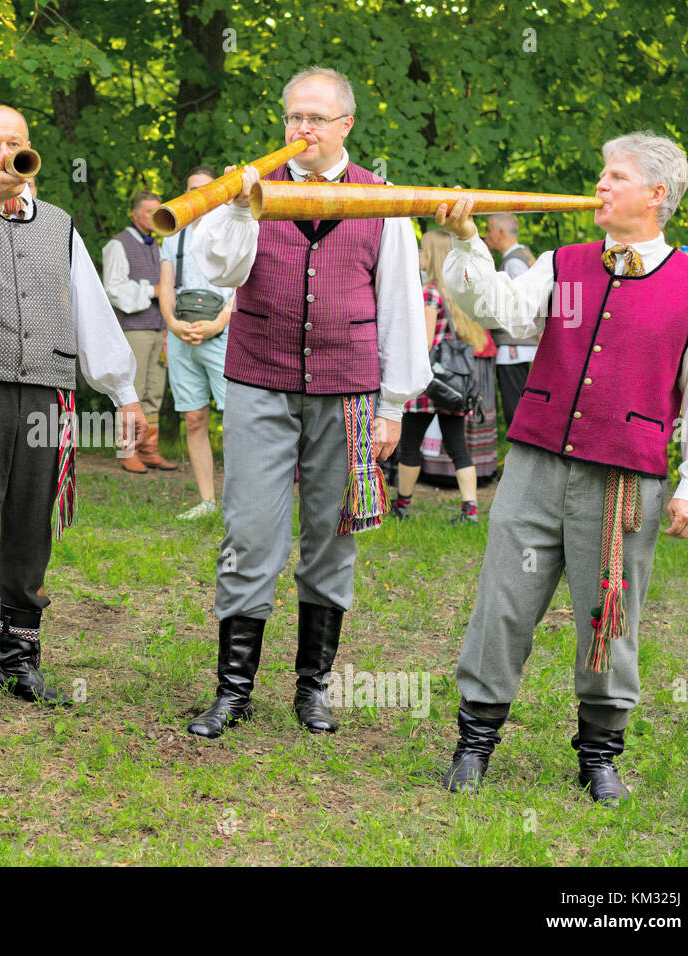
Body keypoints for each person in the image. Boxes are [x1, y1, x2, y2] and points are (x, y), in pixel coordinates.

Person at [436, 131, 688, 804]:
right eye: (601, 174)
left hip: (623, 482)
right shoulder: (564, 263)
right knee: (502, 605)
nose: (599, 185)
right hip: (536, 464)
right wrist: (467, 241)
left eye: (614, 176)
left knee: (609, 618)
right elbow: (500, 314)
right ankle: (474, 743)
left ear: (656, 195)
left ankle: (599, 757)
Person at [187, 67, 431, 739]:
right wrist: (239, 205)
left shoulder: (382, 199)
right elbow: (218, 271)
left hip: (348, 391)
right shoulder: (254, 189)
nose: (304, 129)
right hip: (258, 380)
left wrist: (394, 403)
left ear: (346, 125)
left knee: (332, 538)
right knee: (249, 536)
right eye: (295, 117)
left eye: (318, 118)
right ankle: (233, 691)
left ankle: (312, 689)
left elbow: (402, 307)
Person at [0, 104, 145, 728]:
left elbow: (91, 307)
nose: (2, 151)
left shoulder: (60, 223)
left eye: (13, 142)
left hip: (47, 390)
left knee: (30, 527)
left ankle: (19, 659)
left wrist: (123, 391)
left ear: (29, 147)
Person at [157, 165, 235, 520]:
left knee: (237, 418)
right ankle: (207, 501)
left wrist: (218, 323)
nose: (198, 195)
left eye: (206, 189)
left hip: (224, 331)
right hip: (182, 333)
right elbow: (166, 285)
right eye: (192, 189)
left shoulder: (236, 227)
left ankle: (240, 499)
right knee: (193, 417)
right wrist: (172, 324)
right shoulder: (174, 232)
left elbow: (244, 286)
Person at [392, 229, 481, 524]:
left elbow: (425, 342)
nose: (418, 255)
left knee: (409, 445)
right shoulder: (460, 291)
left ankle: (402, 507)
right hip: (453, 383)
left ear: (432, 256)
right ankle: (470, 511)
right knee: (458, 447)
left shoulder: (430, 292)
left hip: (429, 383)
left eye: (422, 250)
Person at [103, 190, 176, 474]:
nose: (154, 217)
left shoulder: (159, 245)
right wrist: (152, 290)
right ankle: (127, 450)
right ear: (135, 215)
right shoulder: (118, 244)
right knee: (132, 392)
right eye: (149, 212)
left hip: (159, 328)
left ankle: (149, 450)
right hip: (133, 329)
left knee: (154, 392)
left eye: (158, 211)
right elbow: (114, 289)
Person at [481, 212, 539, 429]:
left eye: (488, 230)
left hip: (515, 346)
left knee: (515, 411)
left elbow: (523, 304)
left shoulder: (514, 262)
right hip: (523, 345)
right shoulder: (525, 255)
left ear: (501, 232)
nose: (486, 236)